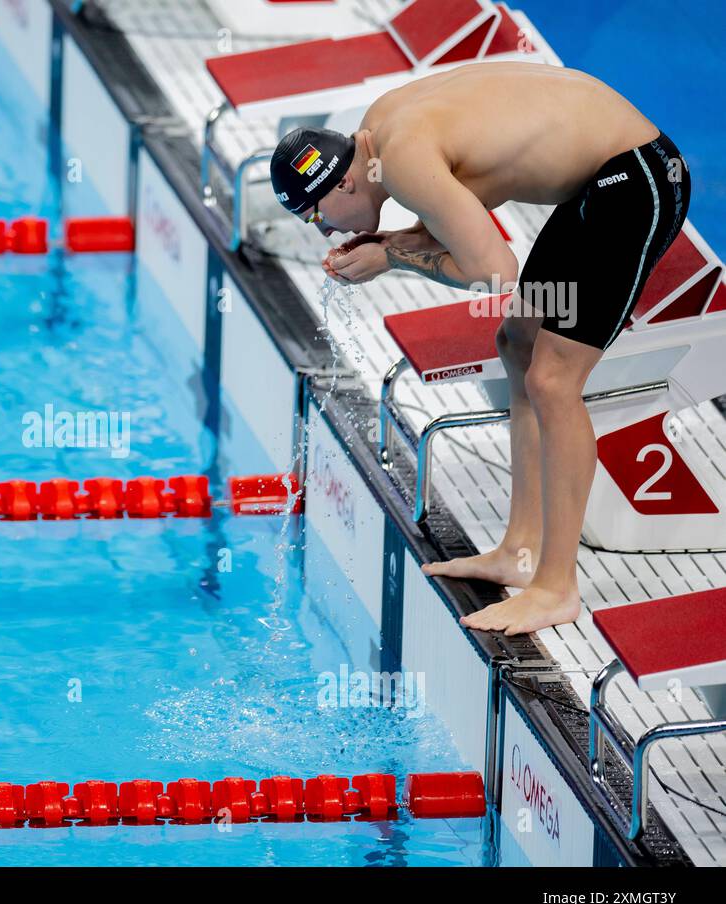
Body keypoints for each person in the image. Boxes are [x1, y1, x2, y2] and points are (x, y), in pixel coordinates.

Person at [270, 62, 690, 635]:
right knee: (518, 343)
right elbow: (452, 227)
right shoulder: (377, 138)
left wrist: (390, 256)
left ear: (343, 182)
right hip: (600, 184)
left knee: (553, 380)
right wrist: (391, 242)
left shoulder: (401, 160)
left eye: (315, 215)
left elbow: (494, 271)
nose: (323, 231)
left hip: (638, 181)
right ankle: (520, 549)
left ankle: (555, 587)